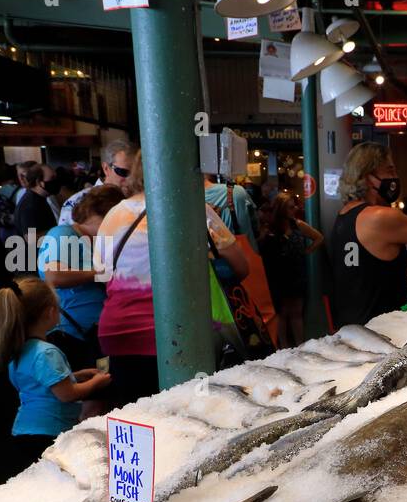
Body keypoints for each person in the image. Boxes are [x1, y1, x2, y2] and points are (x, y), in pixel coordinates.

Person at [94, 151, 247, 406]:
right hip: (180, 333)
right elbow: (242, 268)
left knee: (136, 415)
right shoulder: (197, 211)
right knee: (183, 416)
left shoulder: (113, 215)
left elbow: (102, 276)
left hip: (118, 332)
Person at [0, 277, 111, 470]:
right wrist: (98, 382)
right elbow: (67, 394)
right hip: (48, 432)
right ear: (50, 312)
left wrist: (76, 376)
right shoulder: (47, 352)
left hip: (24, 430)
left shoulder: (20, 351)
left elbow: (39, 383)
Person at [328, 142, 407, 327]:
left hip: (351, 330)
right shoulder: (379, 218)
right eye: (389, 171)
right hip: (382, 334)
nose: (395, 178)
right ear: (366, 177)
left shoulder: (343, 215)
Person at [37, 184, 126, 370]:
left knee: (101, 386)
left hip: (95, 335)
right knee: (88, 392)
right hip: (71, 335)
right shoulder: (62, 233)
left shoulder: (98, 241)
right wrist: (100, 272)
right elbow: (54, 275)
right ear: (97, 215)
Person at [259, 192, 322, 348]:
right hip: (278, 274)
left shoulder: (297, 224)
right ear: (281, 209)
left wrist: (306, 251)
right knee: (282, 312)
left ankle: (300, 345)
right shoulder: (271, 229)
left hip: (296, 272)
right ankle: (284, 346)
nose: (294, 209)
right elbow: (261, 247)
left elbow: (319, 238)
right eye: (290, 207)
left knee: (296, 312)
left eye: (294, 206)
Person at [59, 140, 136, 225]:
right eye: (124, 172)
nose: (132, 179)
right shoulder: (77, 203)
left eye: (137, 173)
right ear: (106, 168)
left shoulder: (142, 200)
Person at [204, 175, 259, 252]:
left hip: (204, 262)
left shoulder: (184, 205)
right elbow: (256, 227)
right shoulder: (236, 191)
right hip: (244, 257)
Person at [13, 163, 57, 240]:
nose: (56, 181)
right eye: (52, 178)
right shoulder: (30, 204)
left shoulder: (39, 199)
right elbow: (31, 238)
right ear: (39, 182)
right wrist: (60, 231)